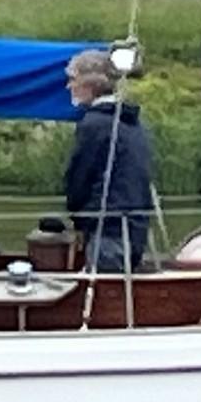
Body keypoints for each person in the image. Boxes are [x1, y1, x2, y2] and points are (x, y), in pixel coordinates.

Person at [62, 48, 154, 271]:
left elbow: (80, 178)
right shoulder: (132, 123)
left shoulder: (95, 124)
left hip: (107, 230)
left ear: (90, 84)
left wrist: (78, 217)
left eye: (73, 79)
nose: (69, 86)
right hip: (134, 230)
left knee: (103, 287)